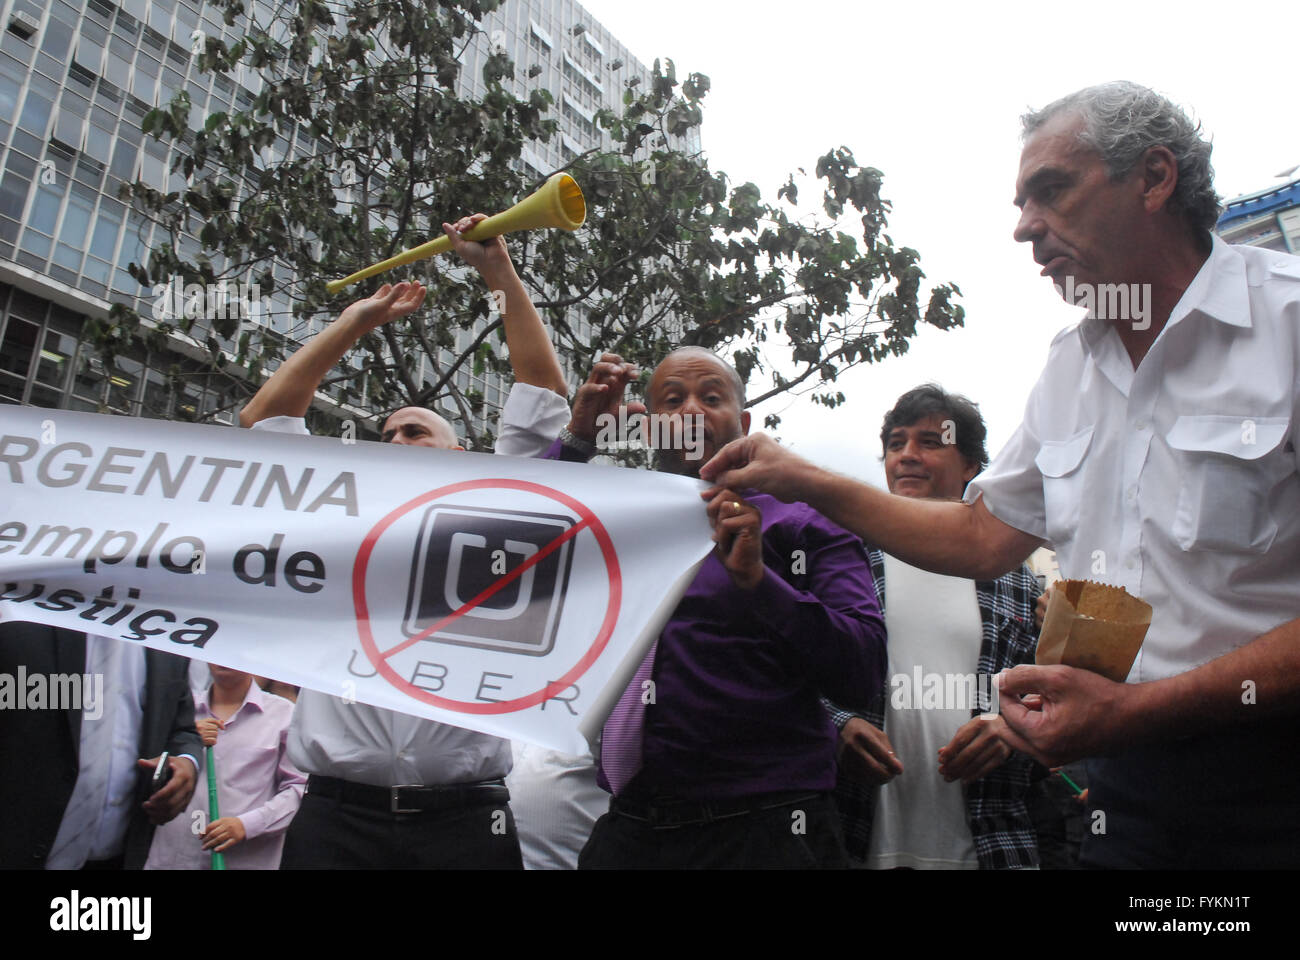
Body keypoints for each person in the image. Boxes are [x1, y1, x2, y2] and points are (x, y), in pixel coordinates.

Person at [701, 81, 1300, 868]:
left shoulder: (1285, 326)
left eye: (1051, 191)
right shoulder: (1069, 369)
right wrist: (805, 479)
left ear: (1154, 179)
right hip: (1129, 801)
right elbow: (985, 535)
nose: (1025, 229)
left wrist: (1139, 709)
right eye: (1020, 203)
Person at [242, 214, 570, 869]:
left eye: (416, 432)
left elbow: (541, 395)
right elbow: (264, 422)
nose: (396, 441)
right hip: (335, 823)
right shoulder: (334, 526)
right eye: (388, 434)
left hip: (467, 825)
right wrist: (354, 323)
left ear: (464, 455)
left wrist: (497, 271)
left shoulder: (497, 519)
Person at [553, 346, 887, 869]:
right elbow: (509, 556)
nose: (690, 411)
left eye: (711, 397)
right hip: (630, 830)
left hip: (767, 833)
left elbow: (863, 669)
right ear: (646, 426)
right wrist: (576, 439)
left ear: (744, 421)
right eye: (672, 399)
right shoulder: (611, 523)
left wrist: (761, 585)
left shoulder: (805, 522)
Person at [826, 384, 1041, 869]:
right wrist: (839, 727)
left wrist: (1010, 731)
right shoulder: (842, 560)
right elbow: (789, 673)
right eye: (896, 444)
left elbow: (1050, 699)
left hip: (989, 845)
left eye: (929, 442)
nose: (907, 456)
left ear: (971, 467)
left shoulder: (1015, 578)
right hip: (854, 840)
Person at [0, 624, 201, 869]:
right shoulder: (22, 613)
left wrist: (187, 763)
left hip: (117, 860)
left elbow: (183, 728)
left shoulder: (167, 634)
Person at [144, 663, 305, 869]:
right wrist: (186, 740)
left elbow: (299, 790)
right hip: (172, 860)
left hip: (243, 860)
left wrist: (246, 825)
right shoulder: (181, 708)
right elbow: (145, 770)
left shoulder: (284, 715)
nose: (223, 661)